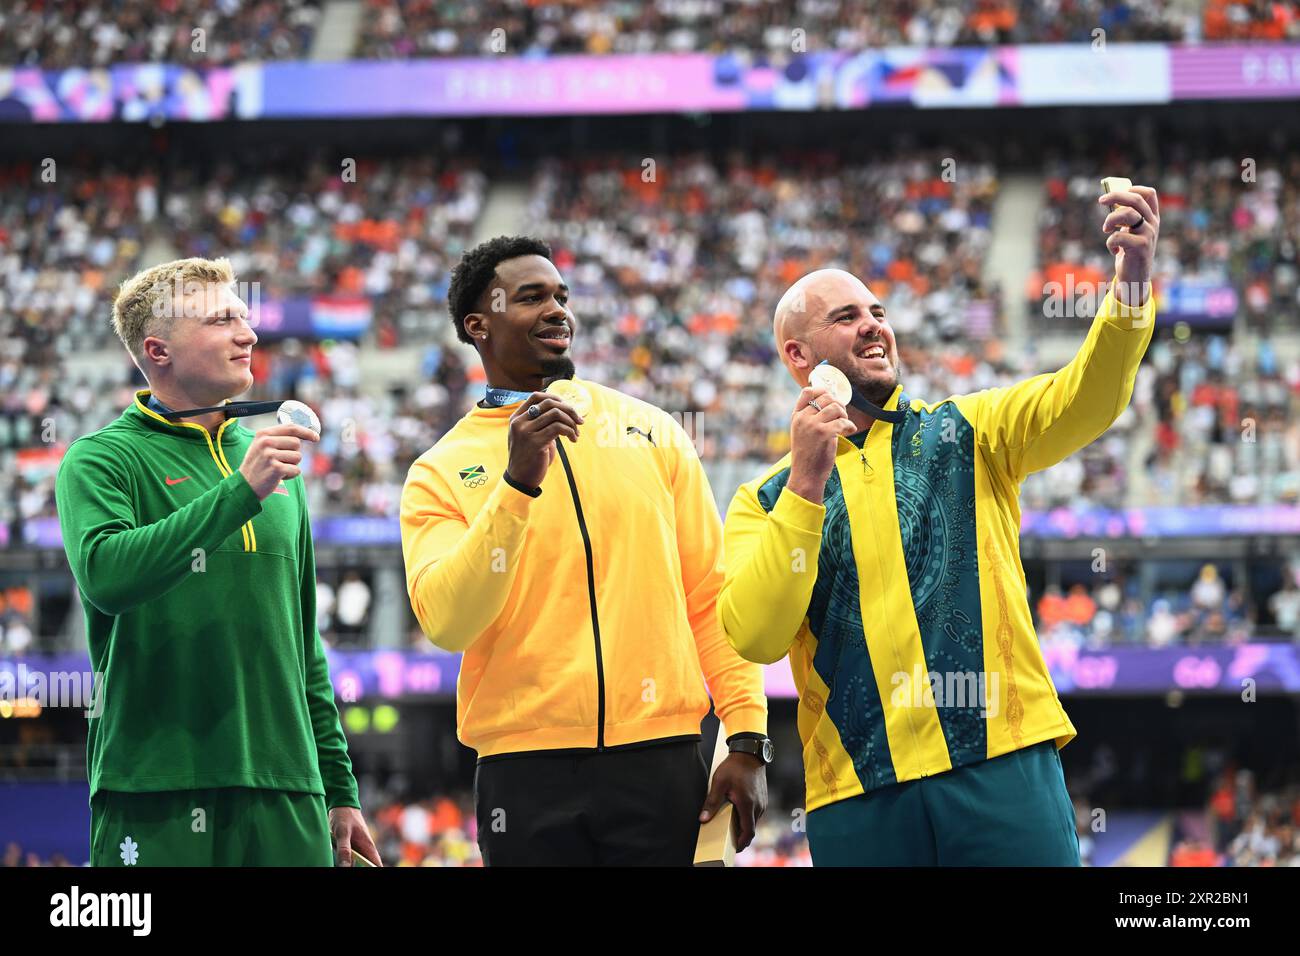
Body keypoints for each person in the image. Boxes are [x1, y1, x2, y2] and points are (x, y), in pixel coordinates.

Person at [719, 185, 1162, 865]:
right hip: (859, 795)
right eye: (847, 318)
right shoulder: (765, 497)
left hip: (1002, 765)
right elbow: (755, 633)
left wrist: (1130, 289)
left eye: (878, 312)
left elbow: (1088, 397)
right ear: (798, 356)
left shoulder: (970, 430)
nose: (874, 326)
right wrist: (807, 484)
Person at [400, 236, 769, 866]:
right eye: (531, 297)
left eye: (561, 296)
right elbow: (448, 620)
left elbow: (710, 596)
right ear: (478, 325)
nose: (557, 310)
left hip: (663, 759)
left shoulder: (652, 430)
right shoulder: (439, 470)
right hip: (523, 771)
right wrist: (515, 485)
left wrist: (748, 736)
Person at [55, 256, 379, 866]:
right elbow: (108, 577)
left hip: (289, 789)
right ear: (159, 350)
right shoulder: (99, 461)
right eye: (222, 319)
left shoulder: (274, 466)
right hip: (156, 787)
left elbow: (303, 641)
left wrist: (338, 788)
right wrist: (239, 494)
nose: (248, 334)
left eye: (245, 317)